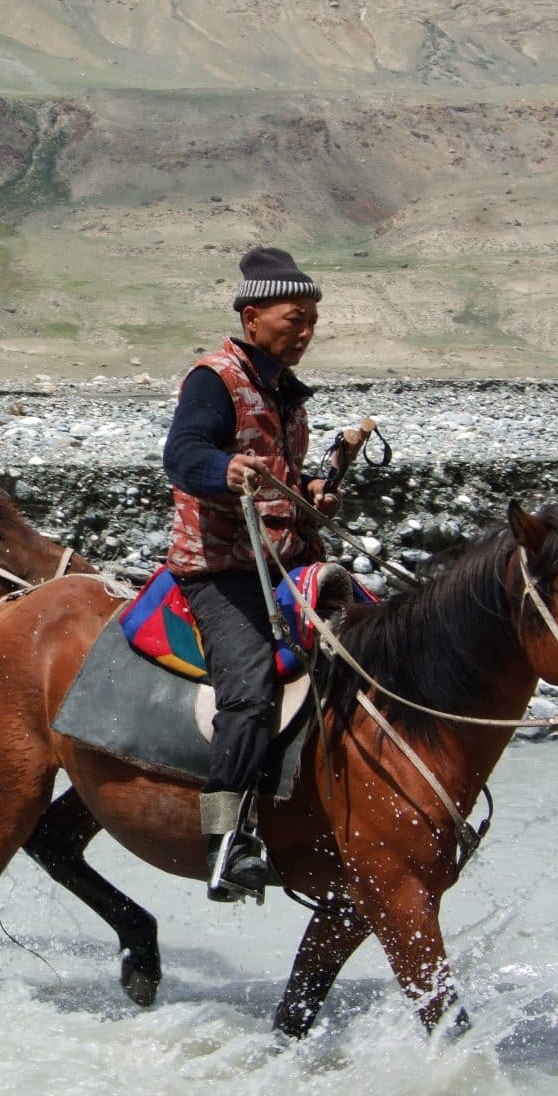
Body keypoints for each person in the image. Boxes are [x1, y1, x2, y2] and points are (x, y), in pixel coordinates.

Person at [162, 246, 339, 902]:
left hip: (286, 560)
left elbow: (279, 476)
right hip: (221, 567)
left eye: (313, 321)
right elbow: (183, 455)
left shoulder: (283, 393)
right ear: (253, 315)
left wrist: (311, 491)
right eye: (296, 318)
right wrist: (223, 471)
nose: (306, 331)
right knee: (252, 683)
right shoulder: (215, 378)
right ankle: (227, 841)